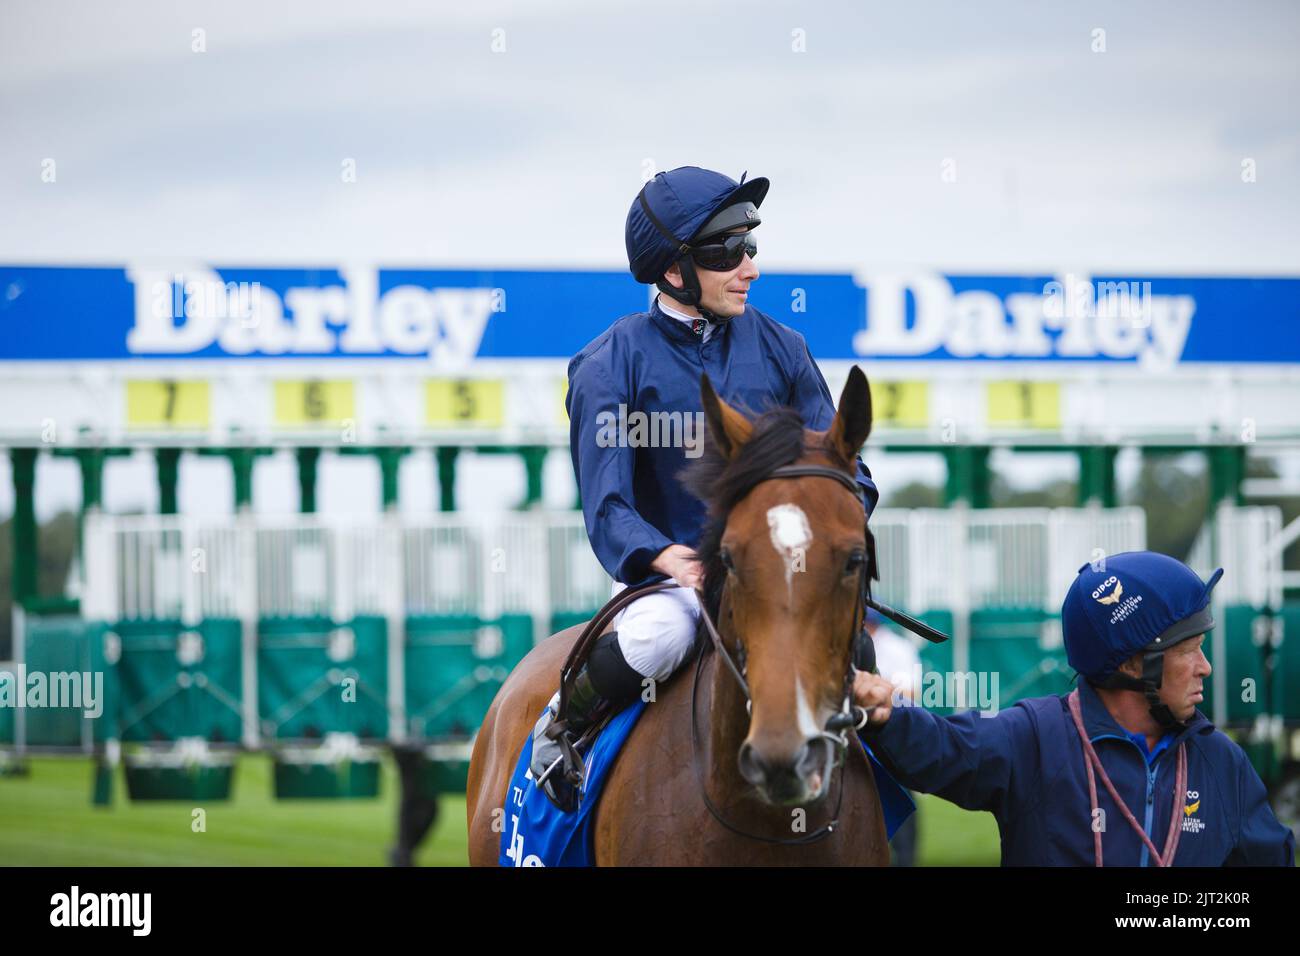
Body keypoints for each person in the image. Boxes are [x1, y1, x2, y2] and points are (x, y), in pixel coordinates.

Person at [529, 166, 881, 810]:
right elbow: (608, 505)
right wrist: (668, 558)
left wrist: (833, 526)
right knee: (657, 637)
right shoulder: (607, 364)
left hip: (774, 570)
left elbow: (845, 465)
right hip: (669, 576)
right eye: (730, 253)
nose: (749, 267)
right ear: (673, 271)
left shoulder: (784, 348)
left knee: (862, 649)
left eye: (753, 248)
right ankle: (563, 724)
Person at [852, 551, 1295, 866]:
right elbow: (946, 748)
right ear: (1131, 662)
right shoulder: (1035, 738)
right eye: (1189, 651)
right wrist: (886, 714)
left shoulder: (1221, 760)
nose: (1206, 667)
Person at [866, 608, 924, 866]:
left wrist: (874, 694)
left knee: (900, 799)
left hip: (890, 734)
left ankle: (905, 860)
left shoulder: (896, 648)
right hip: (860, 736)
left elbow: (910, 695)